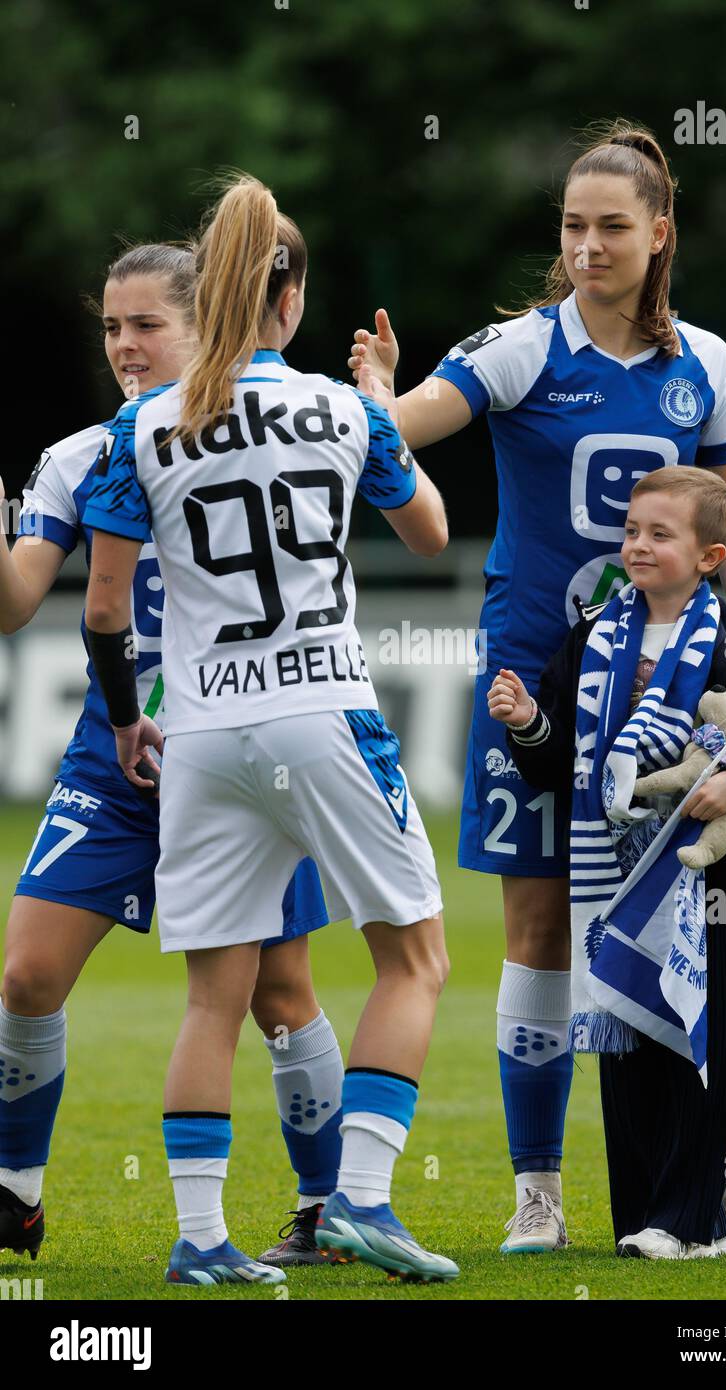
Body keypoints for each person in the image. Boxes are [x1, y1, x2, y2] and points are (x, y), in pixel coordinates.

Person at [348, 119, 726, 1253]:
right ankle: (540, 1192)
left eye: (613, 226)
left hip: (669, 683)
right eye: (572, 226)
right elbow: (404, 431)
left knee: (698, 925)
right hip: (540, 678)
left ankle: (722, 1180)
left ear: (660, 234)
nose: (588, 246)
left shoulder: (703, 361)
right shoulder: (522, 347)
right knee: (537, 930)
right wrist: (372, 399)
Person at [81, 174, 458, 1286]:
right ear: (288, 303)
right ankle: (364, 1197)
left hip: (196, 730)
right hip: (319, 705)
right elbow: (431, 534)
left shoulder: (143, 424)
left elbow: (105, 607)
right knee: (415, 956)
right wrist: (380, 400)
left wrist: (121, 721)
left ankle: (201, 1239)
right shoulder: (343, 412)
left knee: (214, 993)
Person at [0, 244, 343, 1273]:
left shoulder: (257, 434)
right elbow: (18, 604)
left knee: (280, 997)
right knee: (24, 975)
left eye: (146, 324)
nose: (124, 346)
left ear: (206, 324)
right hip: (114, 755)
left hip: (240, 749)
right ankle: (15, 1192)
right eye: (111, 327)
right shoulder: (77, 454)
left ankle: (325, 1208)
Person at [488, 466, 726, 1256]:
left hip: (705, 881)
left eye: (658, 534)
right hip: (615, 883)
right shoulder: (594, 633)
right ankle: (642, 1216)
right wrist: (529, 720)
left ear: (709, 556)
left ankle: (694, 1220)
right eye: (631, 530)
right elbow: (554, 763)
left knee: (703, 1034)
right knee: (627, 1044)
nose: (636, 545)